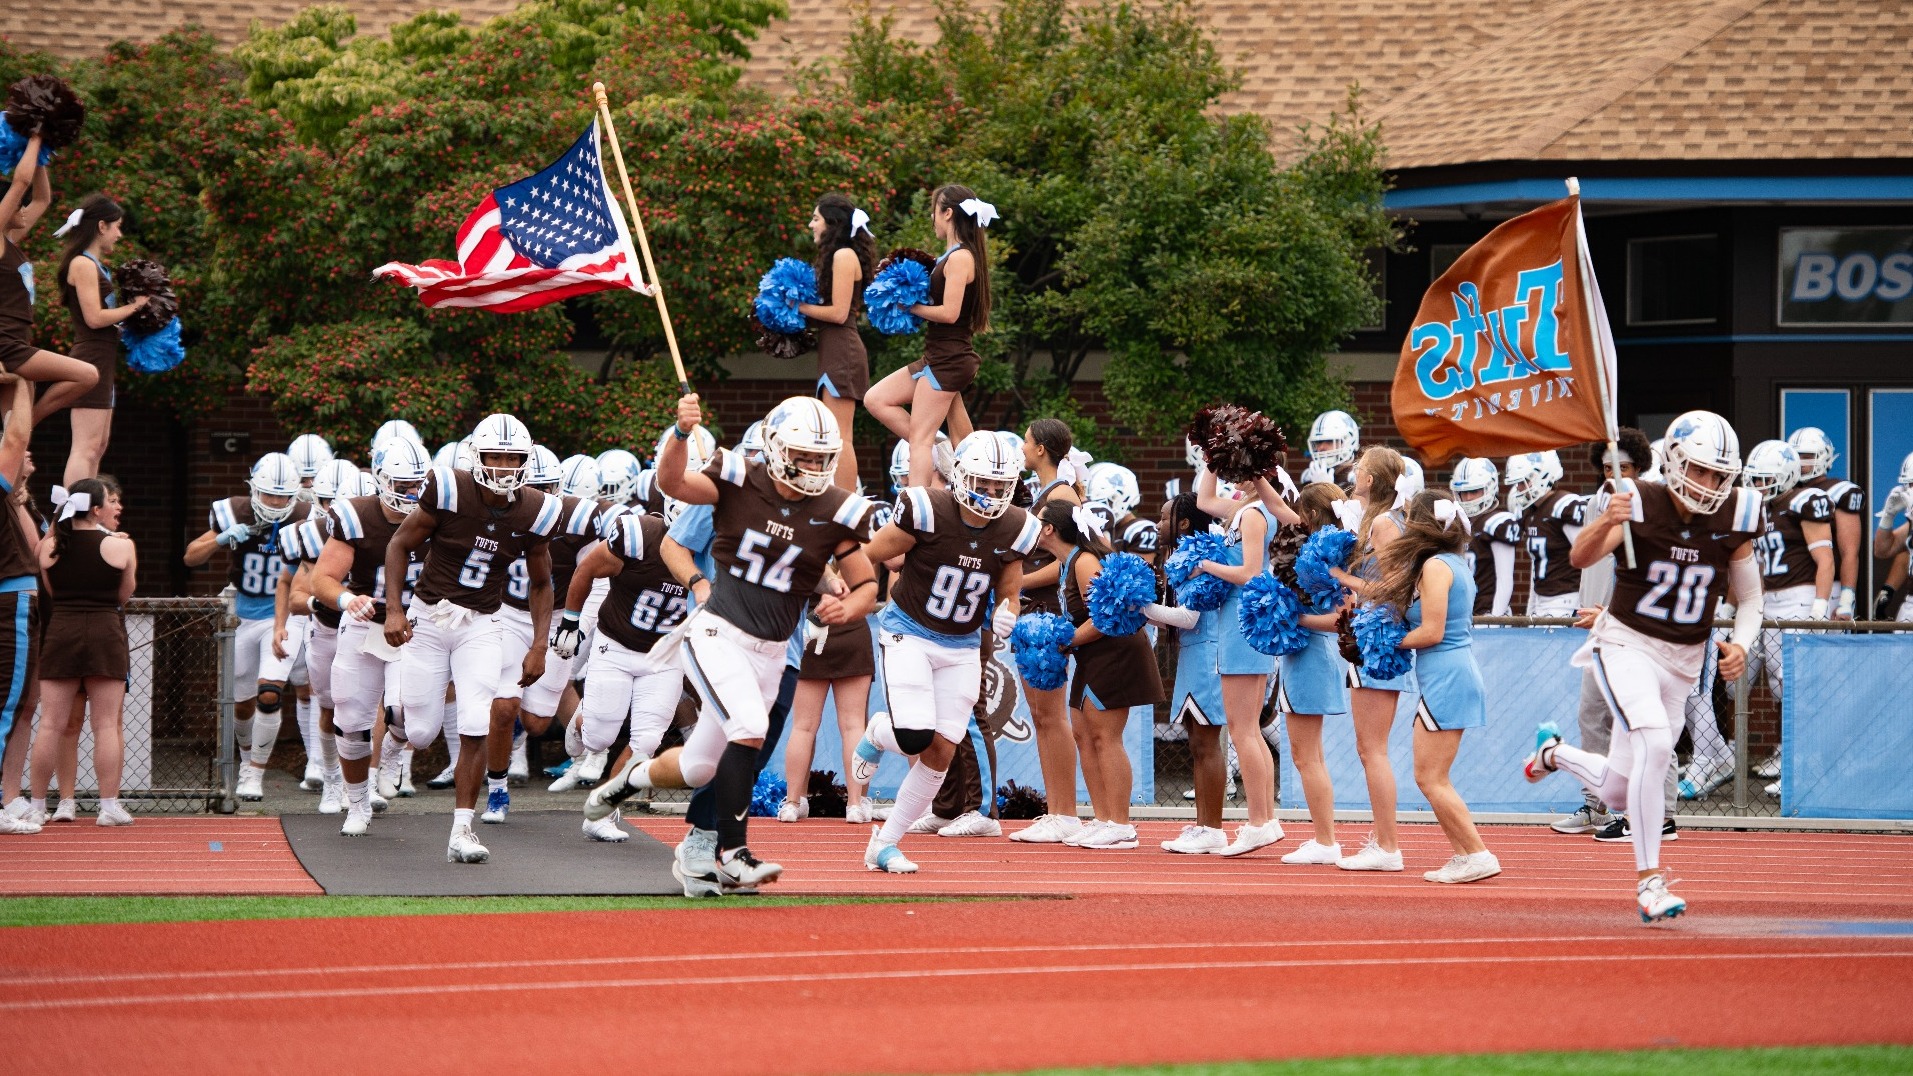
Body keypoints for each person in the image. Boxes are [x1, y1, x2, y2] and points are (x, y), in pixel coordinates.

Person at [585, 394, 879, 890]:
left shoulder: (835, 508)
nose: (810, 466)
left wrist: (845, 604)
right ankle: (733, 851)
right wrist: (680, 435)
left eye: (819, 457)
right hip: (719, 629)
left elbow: (864, 582)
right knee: (749, 729)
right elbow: (672, 486)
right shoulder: (740, 478)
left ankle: (629, 779)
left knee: (703, 766)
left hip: (775, 648)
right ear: (776, 447)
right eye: (801, 454)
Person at [1524, 411, 1764, 922]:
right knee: (1657, 742)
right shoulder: (1638, 498)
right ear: (1675, 461)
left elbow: (1750, 598)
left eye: (1720, 475)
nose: (1710, 484)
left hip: (1683, 661)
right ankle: (1649, 881)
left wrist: (1741, 642)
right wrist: (1608, 519)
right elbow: (1583, 558)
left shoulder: (1739, 512)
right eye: (1699, 471)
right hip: (1626, 643)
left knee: (1616, 787)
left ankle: (1554, 754)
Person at [850, 431, 1035, 870]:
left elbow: (1009, 588)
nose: (990, 494)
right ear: (960, 476)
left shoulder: (1015, 526)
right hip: (909, 631)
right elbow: (871, 553)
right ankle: (879, 731)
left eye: (998, 486)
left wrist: (1007, 611)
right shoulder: (928, 510)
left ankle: (887, 844)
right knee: (914, 735)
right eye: (982, 484)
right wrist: (843, 585)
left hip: (963, 644)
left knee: (942, 751)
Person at [383, 414, 563, 864]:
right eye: (495, 456)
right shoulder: (447, 488)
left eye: (513, 457)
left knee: (475, 722)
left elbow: (542, 583)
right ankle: (394, 739)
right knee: (421, 732)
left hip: (483, 623)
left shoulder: (537, 509)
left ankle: (462, 829)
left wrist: (540, 643)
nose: (504, 466)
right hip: (428, 619)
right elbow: (398, 545)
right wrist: (393, 608)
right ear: (476, 457)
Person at [1374, 490, 1500, 883]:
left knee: (1431, 778)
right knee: (1430, 776)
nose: (1405, 523)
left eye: (1411, 516)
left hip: (1448, 675)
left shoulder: (1435, 567)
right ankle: (1464, 854)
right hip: (1447, 675)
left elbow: (1432, 631)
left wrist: (1383, 641)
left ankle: (1477, 853)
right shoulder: (1450, 562)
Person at [310, 438, 431, 835]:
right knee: (350, 719)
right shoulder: (356, 515)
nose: (413, 494)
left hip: (416, 628)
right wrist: (347, 599)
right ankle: (357, 803)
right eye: (404, 484)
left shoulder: (440, 515)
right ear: (380, 480)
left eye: (419, 484)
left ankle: (394, 749)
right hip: (365, 625)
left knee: (406, 714)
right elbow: (321, 579)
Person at [550, 503, 691, 843]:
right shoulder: (638, 535)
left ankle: (603, 811)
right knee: (599, 738)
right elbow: (586, 569)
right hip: (616, 645)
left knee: (647, 742)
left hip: (664, 655)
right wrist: (570, 620)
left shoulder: (718, 552)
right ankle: (583, 719)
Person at [183, 451, 309, 802]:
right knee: (242, 703)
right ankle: (244, 758)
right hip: (242, 614)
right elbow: (190, 556)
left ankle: (254, 774)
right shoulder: (233, 511)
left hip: (281, 617)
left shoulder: (305, 516)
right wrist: (220, 539)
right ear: (254, 490)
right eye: (269, 494)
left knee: (270, 694)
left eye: (284, 495)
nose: (276, 502)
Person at [478, 446, 595, 821]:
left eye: (550, 488)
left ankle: (520, 735)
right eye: (537, 487)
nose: (543, 497)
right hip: (508, 613)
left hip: (559, 613)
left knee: (536, 721)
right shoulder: (497, 506)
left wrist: (580, 622)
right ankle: (497, 788)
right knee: (505, 704)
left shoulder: (581, 517)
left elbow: (599, 575)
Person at [1040, 498, 1164, 849]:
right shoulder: (1068, 563)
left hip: (1115, 652)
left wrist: (1063, 643)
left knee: (1105, 735)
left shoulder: (1084, 561)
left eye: (1038, 521)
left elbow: (1107, 616)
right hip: (1091, 653)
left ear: (1050, 528)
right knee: (1082, 732)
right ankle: (1103, 817)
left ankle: (1121, 823)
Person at [1193, 469, 1298, 857]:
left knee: (1242, 730)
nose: (1231, 477)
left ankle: (1259, 821)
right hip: (1242, 622)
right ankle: (1265, 819)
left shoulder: (1255, 514)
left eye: (1238, 469)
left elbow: (1251, 573)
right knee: (1248, 729)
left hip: (1244, 622)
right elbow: (1204, 501)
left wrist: (1206, 566)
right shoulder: (1246, 507)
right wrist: (1211, 460)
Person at [21, 475, 135, 826]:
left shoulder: (49, 547)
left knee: (51, 725)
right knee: (105, 725)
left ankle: (39, 804)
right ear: (98, 509)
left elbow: (52, 592)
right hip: (105, 631)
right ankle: (108, 806)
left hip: (62, 632)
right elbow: (123, 595)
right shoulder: (121, 546)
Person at [863, 184, 993, 488]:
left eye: (934, 212)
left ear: (947, 213)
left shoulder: (961, 258)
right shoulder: (952, 255)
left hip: (948, 360)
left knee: (919, 441)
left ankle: (917, 510)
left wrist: (910, 306)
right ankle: (960, 465)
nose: (932, 219)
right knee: (876, 399)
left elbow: (949, 313)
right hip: (938, 357)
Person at [1327, 446, 1413, 871]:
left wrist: (1345, 579)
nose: (1353, 472)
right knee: (1369, 748)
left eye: (1360, 469)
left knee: (1372, 749)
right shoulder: (1381, 517)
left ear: (1373, 480)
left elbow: (1398, 587)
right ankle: (1384, 840)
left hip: (1377, 637)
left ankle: (1388, 845)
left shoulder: (1383, 522)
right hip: (1372, 633)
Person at [1005, 418, 1088, 842]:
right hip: (1033, 608)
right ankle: (1057, 810)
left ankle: (1066, 813)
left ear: (1041, 449)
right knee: (1041, 714)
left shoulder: (1060, 495)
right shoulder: (1046, 492)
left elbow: (1069, 558)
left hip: (1049, 608)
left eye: (1025, 441)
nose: (1021, 447)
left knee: (1051, 715)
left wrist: (1017, 583)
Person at [1272, 482, 1354, 865]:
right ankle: (1324, 838)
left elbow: (1341, 618)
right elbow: (1278, 508)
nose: (1298, 520)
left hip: (1311, 657)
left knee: (1306, 757)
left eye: (1303, 513)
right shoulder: (1318, 549)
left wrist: (1292, 618)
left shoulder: (1328, 557)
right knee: (1308, 755)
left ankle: (1325, 840)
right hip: (1303, 658)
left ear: (1314, 514)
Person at [1, 138, 102, 421]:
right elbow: (20, 183)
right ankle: (33, 418)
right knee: (86, 374)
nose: (23, 209)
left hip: (18, 339)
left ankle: (19, 445)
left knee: (12, 442)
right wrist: (33, 138)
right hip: (7, 345)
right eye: (17, 206)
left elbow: (42, 199)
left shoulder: (10, 241)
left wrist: (40, 155)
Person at [55, 196, 146, 484]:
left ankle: (84, 517)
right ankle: (71, 518)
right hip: (90, 357)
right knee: (85, 447)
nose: (119, 235)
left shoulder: (96, 265)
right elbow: (94, 317)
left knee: (97, 447)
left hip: (103, 358)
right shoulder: (82, 264)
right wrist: (135, 307)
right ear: (102, 226)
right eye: (117, 227)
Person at [1155, 492, 1228, 853]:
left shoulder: (1203, 552)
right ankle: (1203, 825)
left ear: (1183, 523)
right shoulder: (1185, 554)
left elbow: (1190, 617)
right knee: (1197, 743)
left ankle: (1213, 827)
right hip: (1194, 654)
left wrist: (1139, 606)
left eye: (1163, 516)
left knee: (1207, 742)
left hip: (1208, 654)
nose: (1156, 523)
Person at [781, 567, 877, 823]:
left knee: (803, 726)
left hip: (810, 629)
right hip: (852, 630)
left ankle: (792, 802)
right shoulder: (859, 544)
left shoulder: (805, 539)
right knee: (853, 725)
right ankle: (855, 804)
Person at [795, 193, 875, 492]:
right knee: (832, 434)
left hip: (843, 351)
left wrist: (797, 306)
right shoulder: (840, 256)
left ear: (832, 223)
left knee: (840, 436)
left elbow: (839, 313)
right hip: (834, 349)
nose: (811, 224)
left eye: (816, 218)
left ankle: (846, 503)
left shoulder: (843, 256)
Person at [0, 372, 45, 835]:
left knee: (14, 704)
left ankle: (7, 798)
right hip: (8, 599)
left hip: (16, 599)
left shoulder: (14, 499)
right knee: (6, 703)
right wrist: (22, 376)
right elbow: (15, 433)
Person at [1786, 427, 1866, 621]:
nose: (1801, 463)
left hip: (1829, 589)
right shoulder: (1786, 492)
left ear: (1825, 457)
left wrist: (1846, 602)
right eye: (1796, 457)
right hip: (1789, 588)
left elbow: (1849, 552)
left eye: (1807, 456)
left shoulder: (1839, 491)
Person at [1507, 450, 1585, 617]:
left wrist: (1586, 603)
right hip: (1543, 601)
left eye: (1523, 482)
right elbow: (1536, 566)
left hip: (1568, 600)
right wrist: (1531, 607)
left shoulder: (1563, 505)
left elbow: (1588, 558)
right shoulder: (1531, 512)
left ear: (1543, 475)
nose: (1519, 488)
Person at [1449, 458, 1521, 616]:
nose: (1467, 498)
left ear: (1489, 488)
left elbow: (1505, 579)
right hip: (1465, 616)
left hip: (1488, 614)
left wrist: (1495, 619)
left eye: (1474, 491)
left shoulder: (1497, 523)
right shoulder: (1459, 525)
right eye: (1463, 492)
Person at [1088, 464, 1156, 558]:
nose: (1098, 509)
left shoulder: (1143, 530)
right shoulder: (1112, 529)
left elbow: (1139, 571)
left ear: (1120, 499)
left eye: (1102, 503)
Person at [1299, 410, 1360, 490]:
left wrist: (1325, 489)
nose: (1321, 447)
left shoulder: (1357, 478)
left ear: (1348, 440)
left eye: (1329, 441)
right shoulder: (1310, 477)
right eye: (1318, 442)